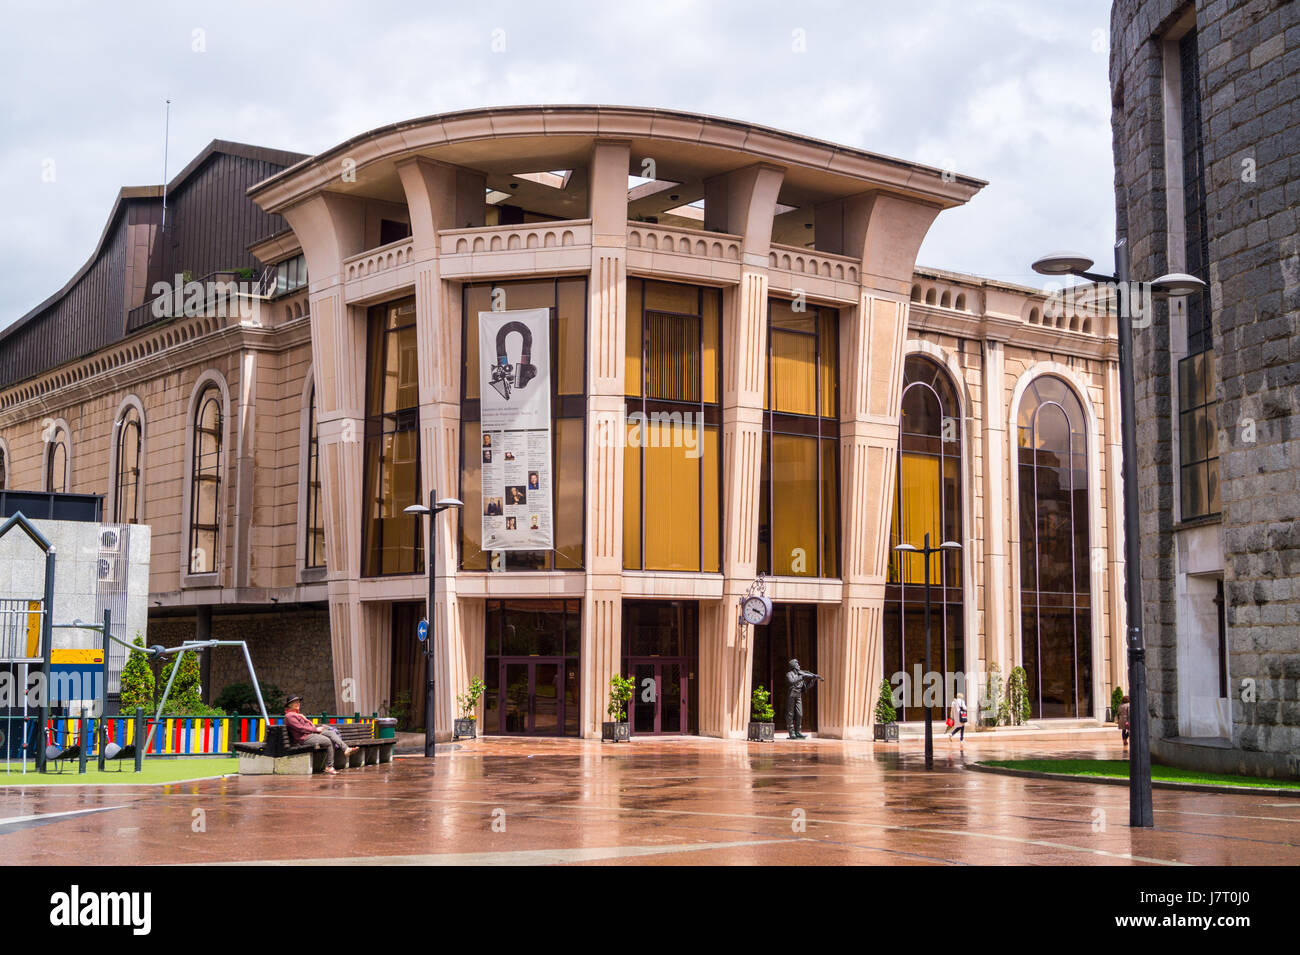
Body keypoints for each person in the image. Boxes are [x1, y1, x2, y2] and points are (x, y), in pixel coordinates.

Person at [283, 694, 355, 775]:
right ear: (290, 705)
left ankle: (346, 749)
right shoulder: (289, 716)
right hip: (304, 738)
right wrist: (316, 729)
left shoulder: (298, 715)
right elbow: (300, 728)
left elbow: (307, 726)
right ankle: (329, 767)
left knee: (330, 732)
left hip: (311, 733)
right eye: (295, 702)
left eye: (298, 702)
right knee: (328, 741)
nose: (298, 703)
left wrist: (318, 729)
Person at [785, 659, 822, 739]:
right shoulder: (789, 674)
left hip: (798, 695)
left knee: (799, 714)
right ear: (794, 666)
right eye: (798, 665)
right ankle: (792, 733)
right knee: (790, 714)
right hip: (792, 694)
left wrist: (813, 679)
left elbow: (806, 687)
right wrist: (801, 677)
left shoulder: (800, 675)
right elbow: (791, 681)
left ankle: (798, 732)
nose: (799, 666)